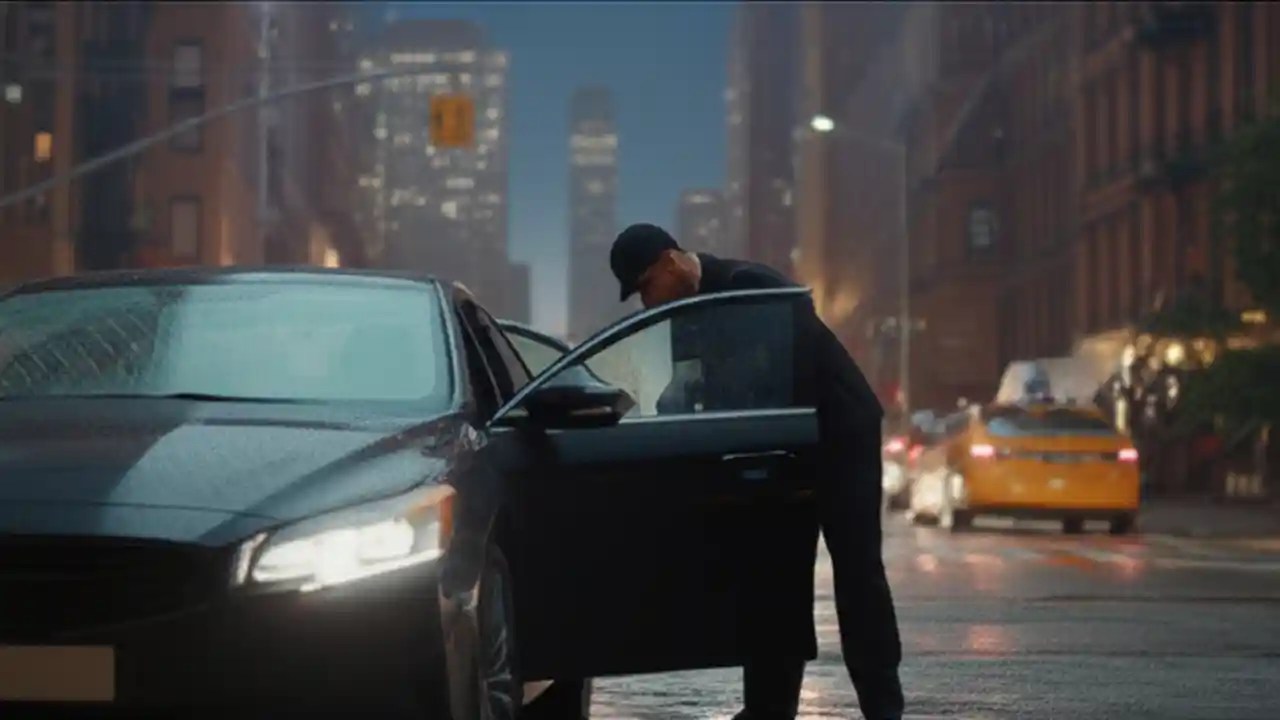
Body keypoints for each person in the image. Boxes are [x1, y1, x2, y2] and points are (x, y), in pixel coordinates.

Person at [609, 223, 905, 720]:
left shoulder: (752, 284)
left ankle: (883, 708)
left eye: (644, 287)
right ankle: (768, 710)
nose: (646, 303)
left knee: (857, 573)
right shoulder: (687, 310)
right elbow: (690, 389)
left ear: (670, 263)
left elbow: (768, 369)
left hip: (838, 435)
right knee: (774, 577)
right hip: (781, 443)